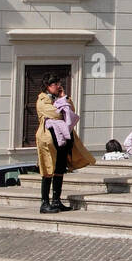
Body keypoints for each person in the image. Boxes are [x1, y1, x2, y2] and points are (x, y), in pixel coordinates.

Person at [35, 73, 95, 215]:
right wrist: (64, 107)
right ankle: (44, 203)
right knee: (48, 169)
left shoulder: (60, 98)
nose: (58, 86)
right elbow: (56, 114)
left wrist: (64, 98)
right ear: (48, 86)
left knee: (59, 169)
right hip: (49, 138)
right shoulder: (42, 100)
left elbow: (71, 110)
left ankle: (56, 200)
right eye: (55, 84)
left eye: (58, 83)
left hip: (62, 137)